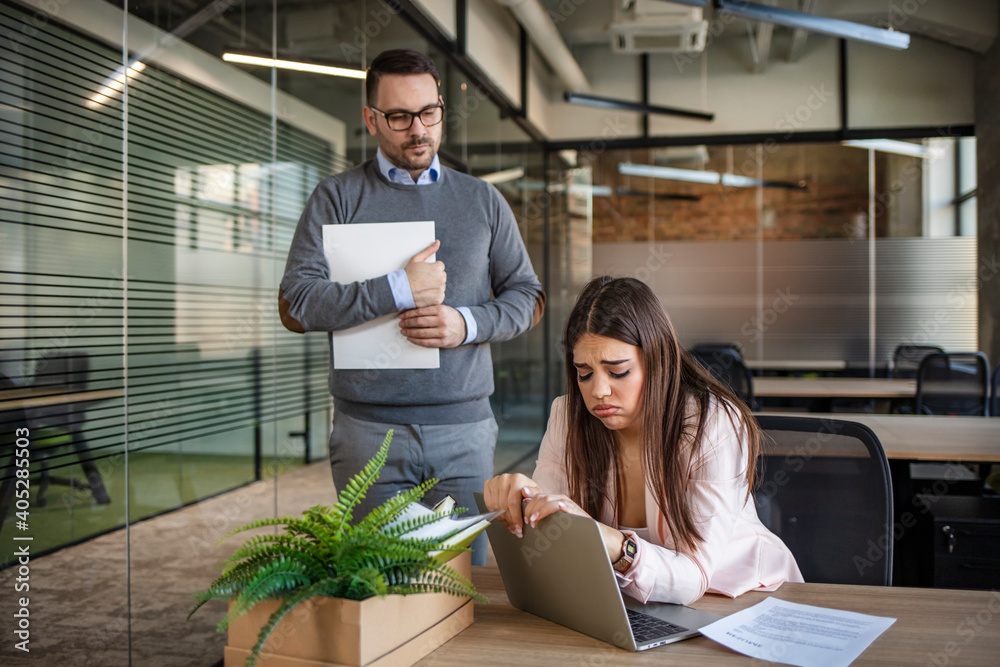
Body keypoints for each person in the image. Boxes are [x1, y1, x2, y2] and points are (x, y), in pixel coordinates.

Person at [280, 49, 544, 565]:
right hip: (366, 434)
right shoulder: (336, 198)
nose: (417, 129)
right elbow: (296, 304)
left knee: (465, 591)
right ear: (370, 119)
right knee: (380, 590)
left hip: (464, 431)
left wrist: (465, 324)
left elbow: (528, 298)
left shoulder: (483, 200)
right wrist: (399, 289)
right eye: (399, 117)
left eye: (429, 112)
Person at [484, 276, 801, 603]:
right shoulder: (568, 417)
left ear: (656, 361)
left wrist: (612, 542)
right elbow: (554, 535)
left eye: (617, 371)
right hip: (631, 602)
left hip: (744, 597)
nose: (598, 391)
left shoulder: (711, 424)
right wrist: (525, 501)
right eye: (584, 373)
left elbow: (693, 577)